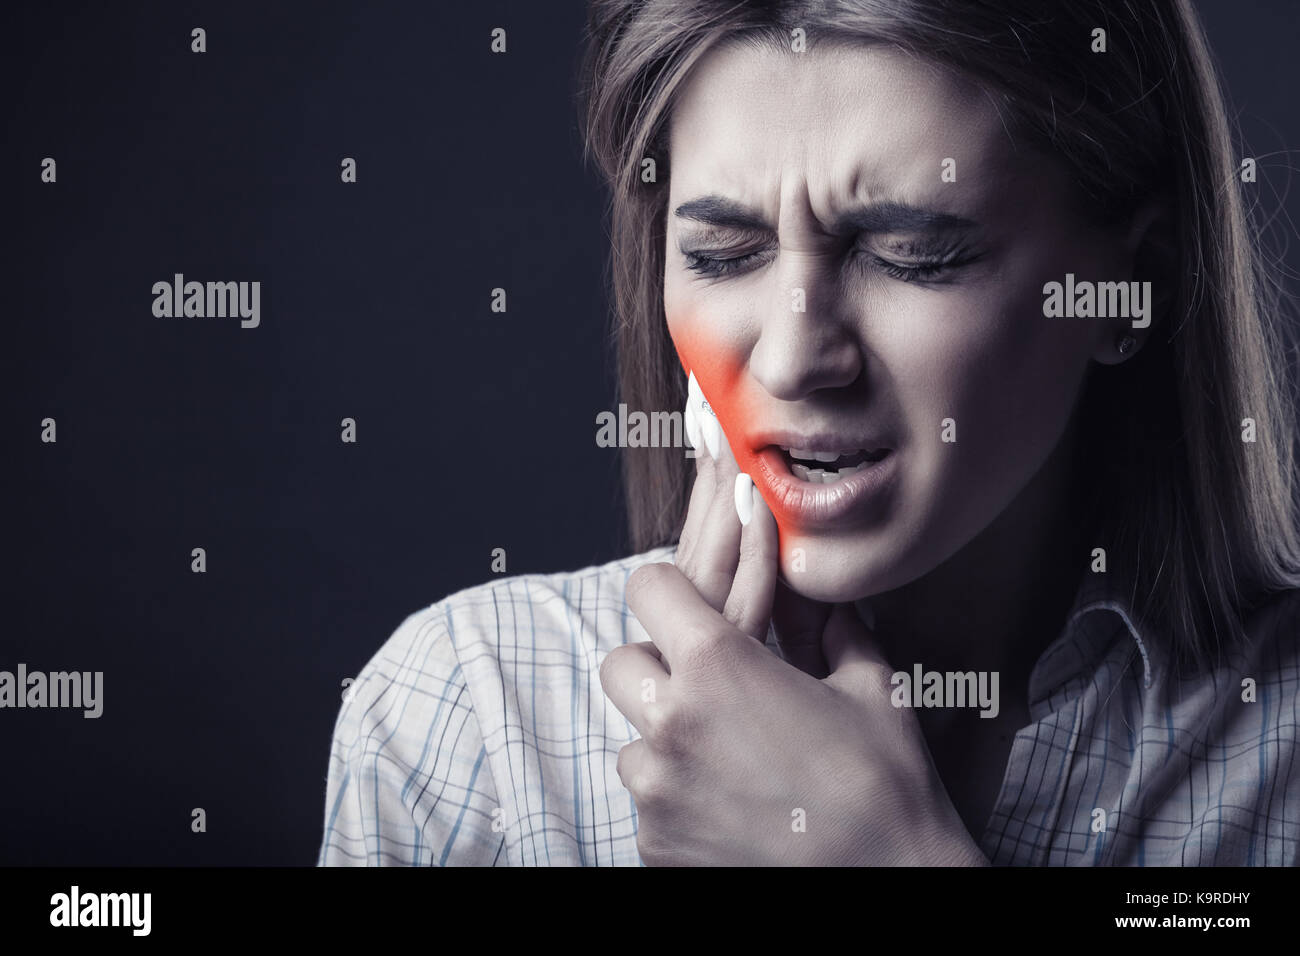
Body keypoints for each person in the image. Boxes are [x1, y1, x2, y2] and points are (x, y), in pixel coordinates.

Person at [318, 0, 1300, 866]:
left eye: (913, 254)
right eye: (720, 253)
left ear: (1133, 287)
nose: (792, 356)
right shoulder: (474, 727)